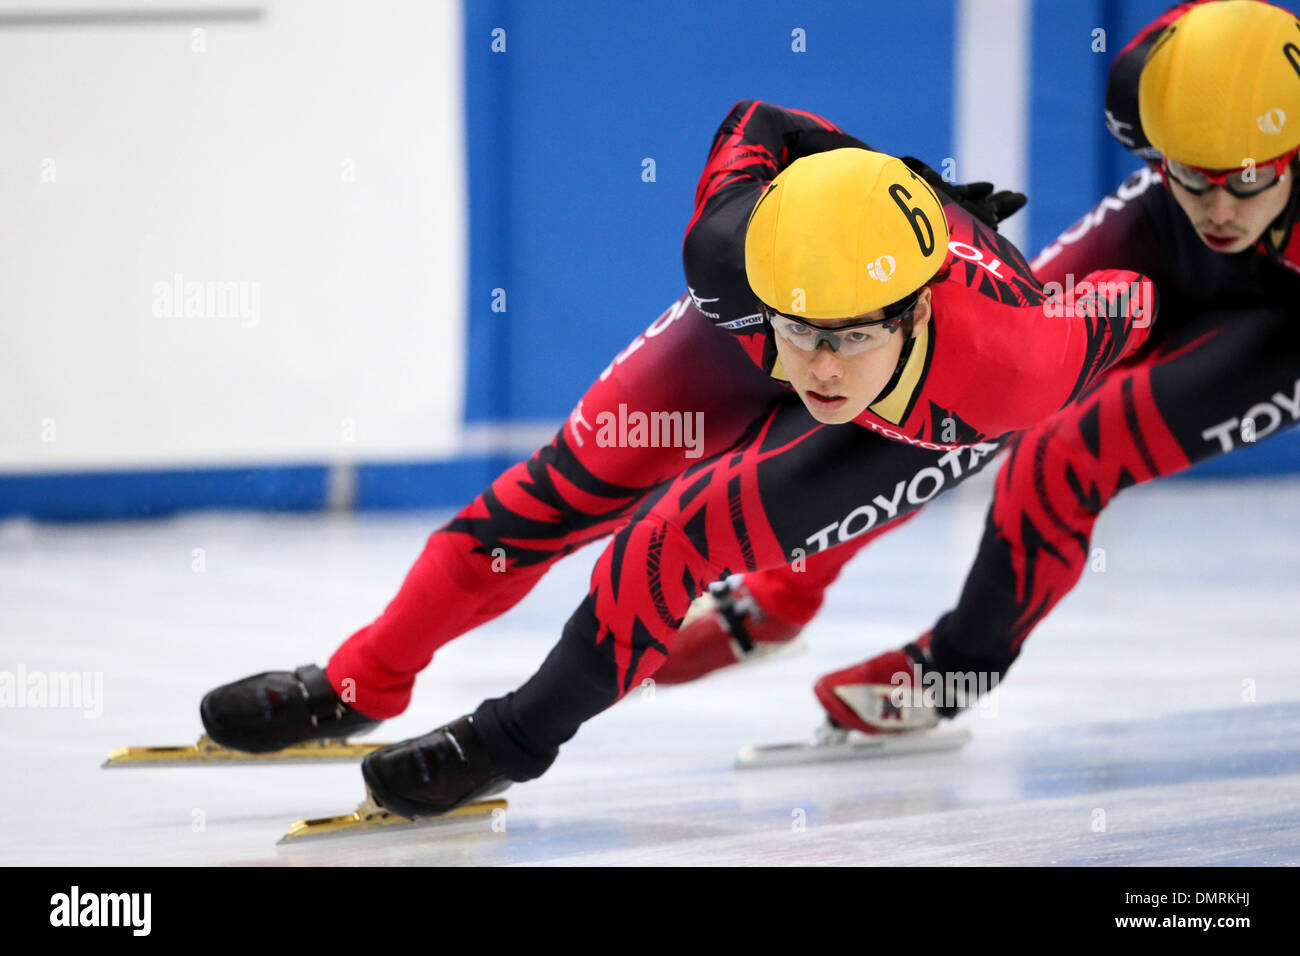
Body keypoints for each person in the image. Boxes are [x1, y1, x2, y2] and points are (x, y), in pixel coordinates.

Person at [198, 99, 1153, 816]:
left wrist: (1012, 274)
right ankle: (360, 680)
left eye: (846, 338)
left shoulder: (1015, 366)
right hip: (747, 336)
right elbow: (758, 117)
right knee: (551, 493)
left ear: (914, 309)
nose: (815, 369)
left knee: (672, 545)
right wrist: (861, 172)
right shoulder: (729, 251)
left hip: (926, 405)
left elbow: (1132, 294)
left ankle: (514, 739)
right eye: (798, 331)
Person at [659, 0, 1300, 739]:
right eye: (1192, 170)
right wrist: (1208, 183)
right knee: (974, 385)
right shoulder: (1147, 82)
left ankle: (952, 673)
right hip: (1165, 230)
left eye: (1244, 181)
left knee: (1072, 454)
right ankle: (778, 598)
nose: (1219, 207)